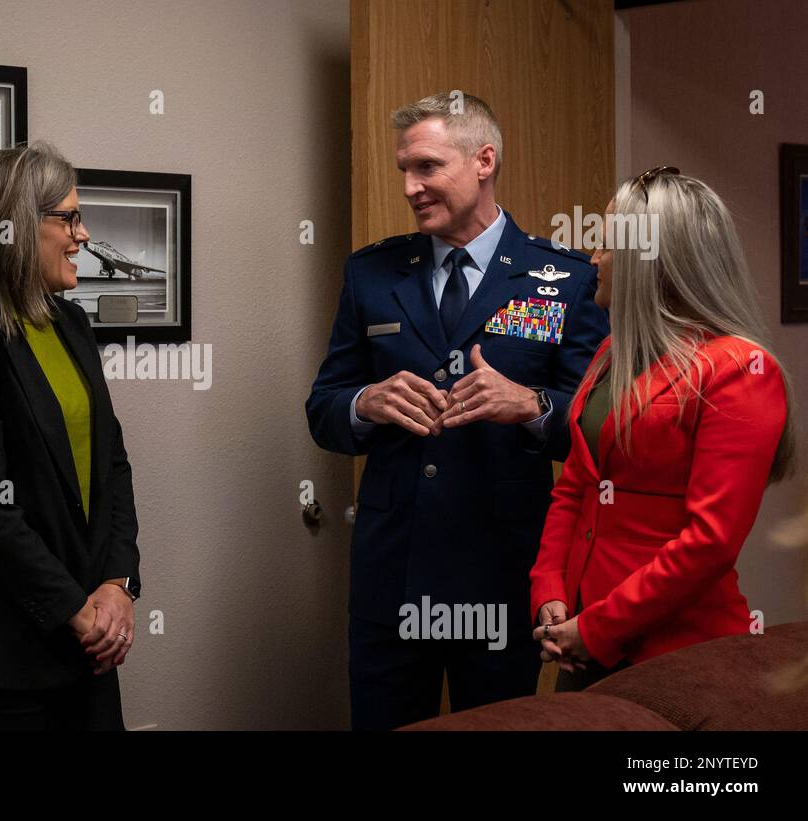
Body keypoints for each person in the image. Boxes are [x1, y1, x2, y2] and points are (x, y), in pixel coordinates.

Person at [305, 92, 609, 730]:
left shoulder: (560, 278)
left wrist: (529, 404)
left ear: (484, 161)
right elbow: (324, 408)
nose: (411, 187)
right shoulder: (372, 274)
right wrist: (366, 402)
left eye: (427, 167)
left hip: (501, 575)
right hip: (393, 581)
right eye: (404, 171)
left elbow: (597, 429)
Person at [531, 169, 797, 690]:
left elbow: (711, 541)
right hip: (582, 644)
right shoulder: (612, 355)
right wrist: (549, 592)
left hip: (679, 653)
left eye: (605, 246)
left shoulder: (739, 369)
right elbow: (575, 485)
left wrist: (598, 626)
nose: (594, 260)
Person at [0, 142, 141, 731]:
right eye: (68, 217)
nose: (83, 235)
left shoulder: (69, 321)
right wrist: (75, 611)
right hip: (4, 652)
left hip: (89, 637)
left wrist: (117, 585)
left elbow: (111, 460)